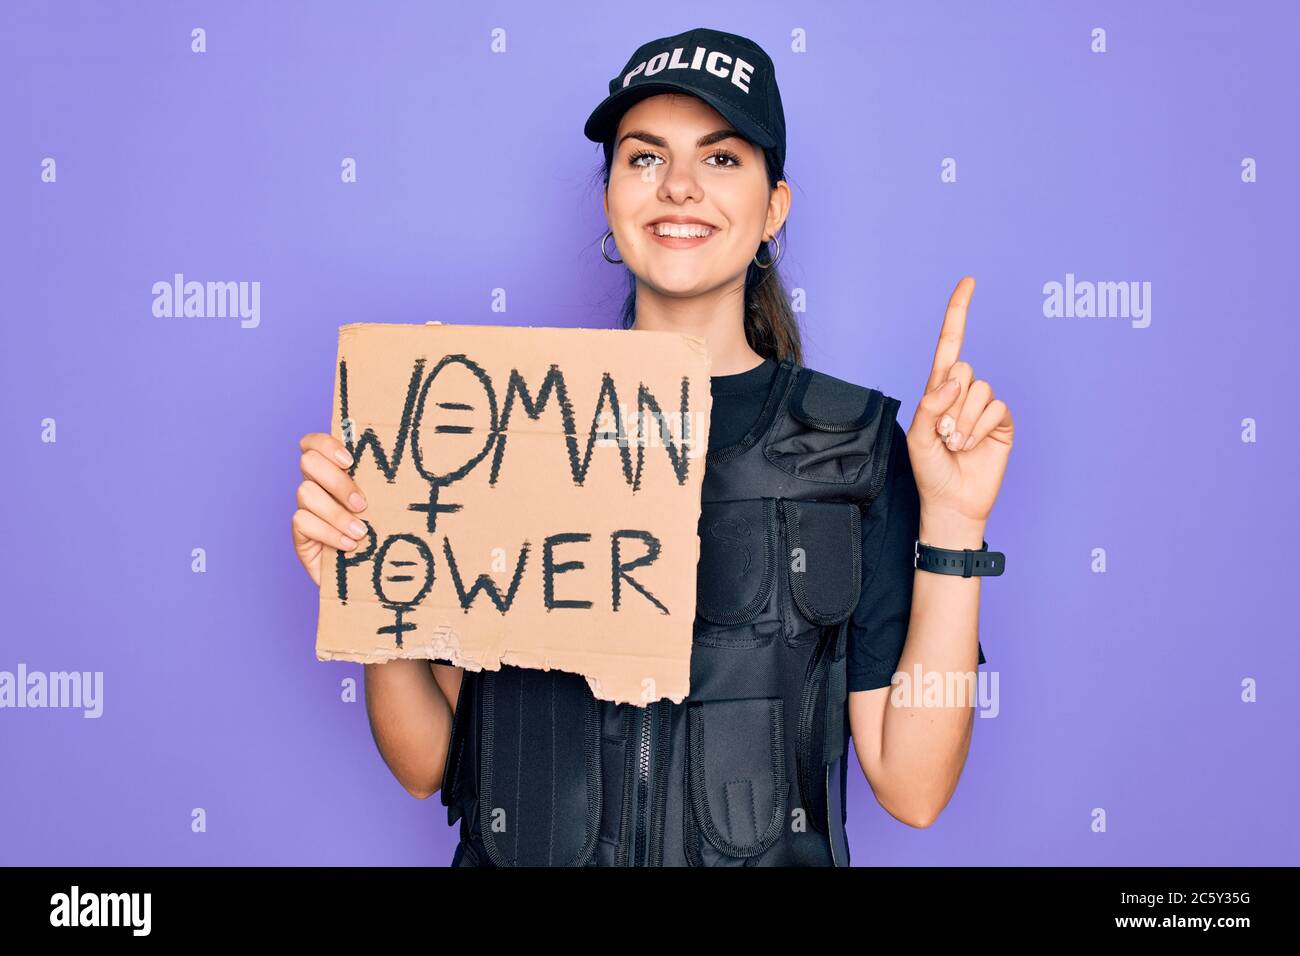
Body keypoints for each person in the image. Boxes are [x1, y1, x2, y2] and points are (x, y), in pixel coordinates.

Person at [291, 26, 1013, 866]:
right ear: (608, 196)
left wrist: (956, 523)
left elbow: (915, 788)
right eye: (643, 158)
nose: (678, 187)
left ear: (775, 205)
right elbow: (427, 764)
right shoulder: (496, 419)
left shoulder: (852, 446)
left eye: (720, 158)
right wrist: (375, 585)